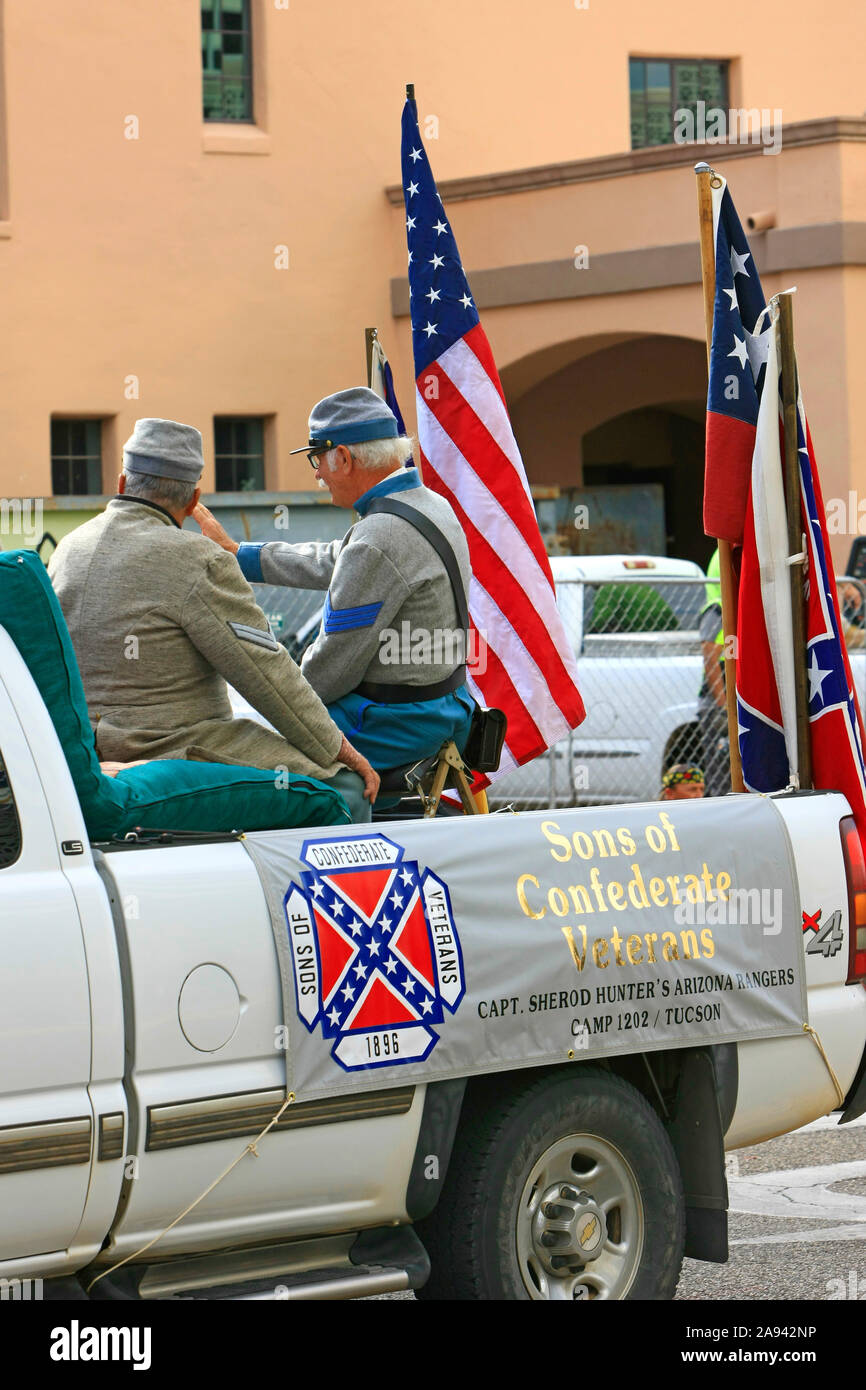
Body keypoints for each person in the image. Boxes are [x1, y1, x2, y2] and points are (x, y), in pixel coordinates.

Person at [48, 418, 378, 822]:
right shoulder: (196, 559)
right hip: (173, 749)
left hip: (87, 750)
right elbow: (267, 673)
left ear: (121, 483)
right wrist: (339, 750)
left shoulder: (68, 548)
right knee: (347, 791)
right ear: (193, 501)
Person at [195, 388, 476, 772]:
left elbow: (328, 673)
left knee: (245, 757)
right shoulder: (427, 505)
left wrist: (270, 695)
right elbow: (339, 558)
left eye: (317, 459)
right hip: (446, 705)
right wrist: (239, 554)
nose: (317, 473)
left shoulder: (379, 537)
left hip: (395, 723)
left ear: (343, 458)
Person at [697, 548, 731, 798]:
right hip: (718, 704)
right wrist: (724, 705)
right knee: (721, 777)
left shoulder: (731, 607)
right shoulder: (717, 609)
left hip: (728, 700)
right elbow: (710, 659)